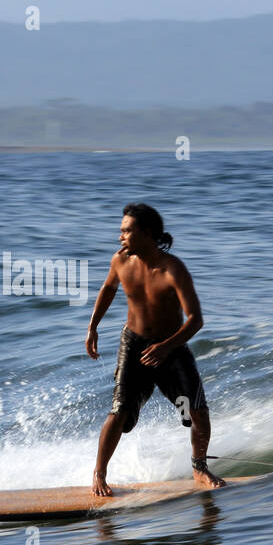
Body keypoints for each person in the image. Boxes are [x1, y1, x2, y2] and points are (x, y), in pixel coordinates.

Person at [85, 204, 225, 497]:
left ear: (147, 233)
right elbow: (109, 288)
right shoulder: (120, 260)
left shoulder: (173, 269)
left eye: (127, 230)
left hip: (171, 346)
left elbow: (195, 319)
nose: (120, 235)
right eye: (121, 229)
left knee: (196, 411)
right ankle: (99, 473)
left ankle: (199, 468)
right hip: (133, 344)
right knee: (120, 410)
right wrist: (93, 326)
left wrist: (166, 347)